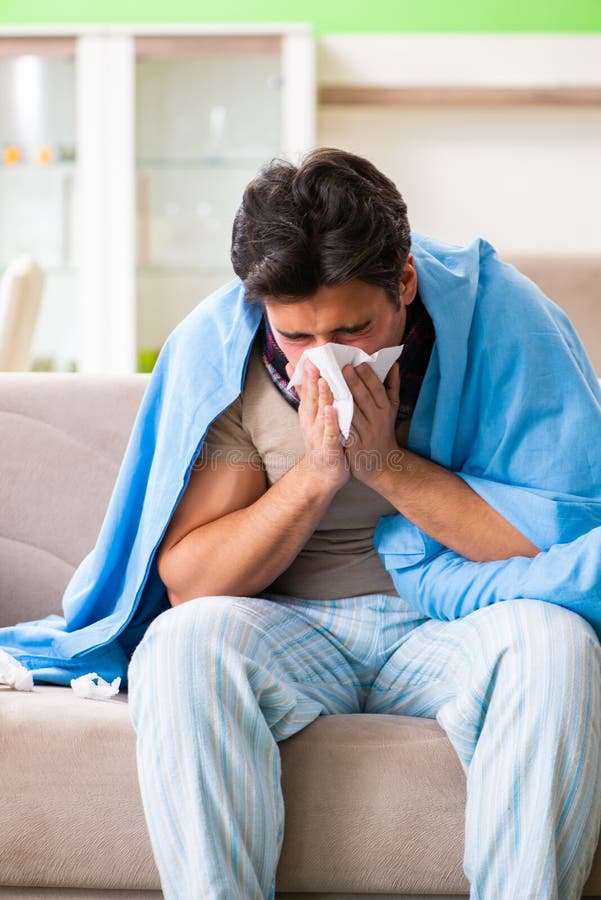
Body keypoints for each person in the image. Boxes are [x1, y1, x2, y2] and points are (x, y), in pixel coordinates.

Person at [126, 147, 601, 899]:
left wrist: (386, 466)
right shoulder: (233, 351)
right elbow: (192, 580)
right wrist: (316, 476)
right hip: (293, 630)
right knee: (181, 644)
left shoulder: (504, 319)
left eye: (352, 330)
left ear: (404, 281)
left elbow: (558, 542)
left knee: (555, 643)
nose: (325, 360)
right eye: (297, 338)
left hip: (449, 627)